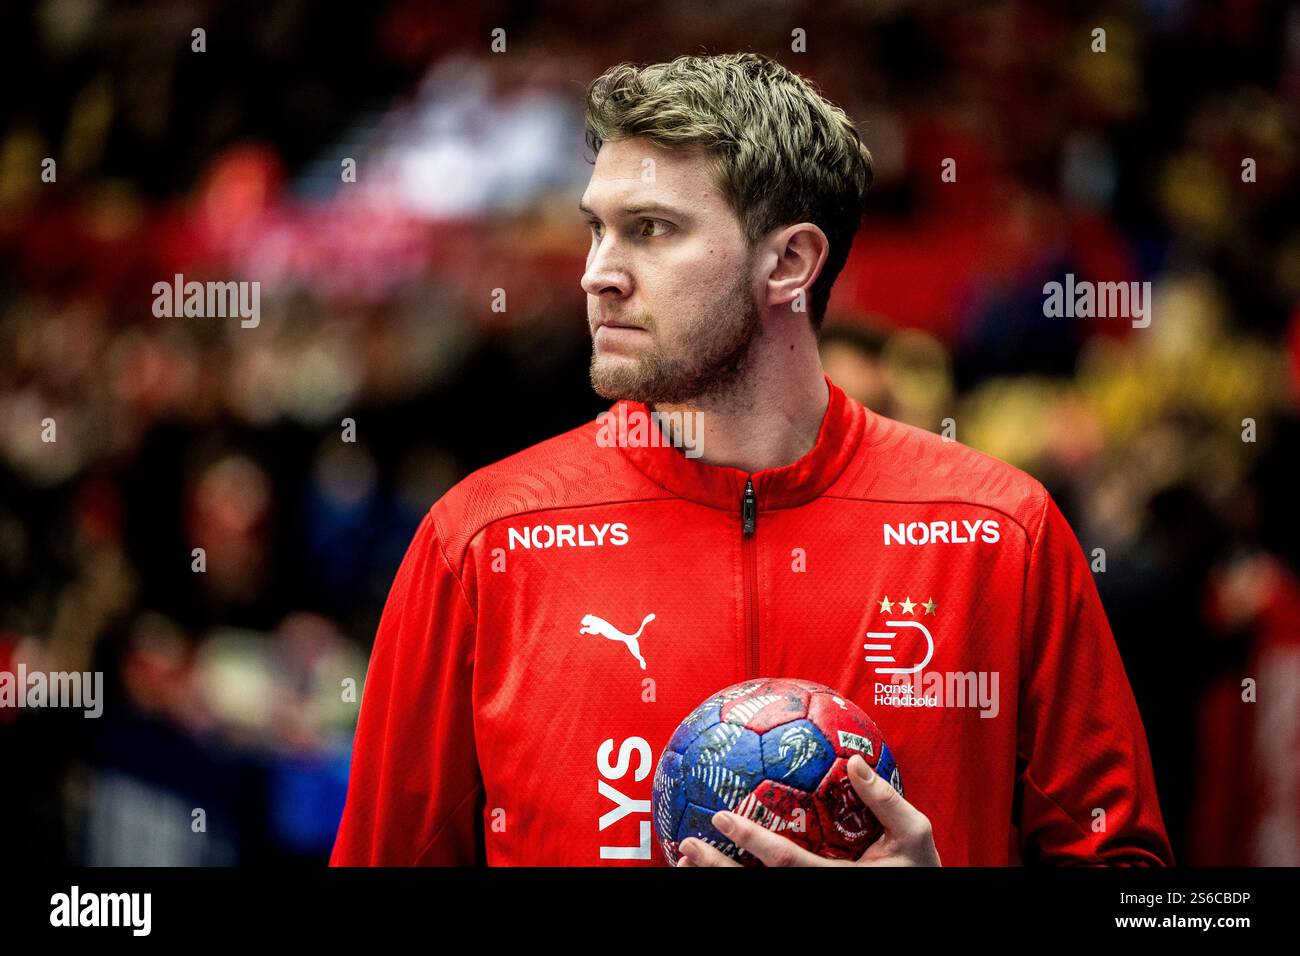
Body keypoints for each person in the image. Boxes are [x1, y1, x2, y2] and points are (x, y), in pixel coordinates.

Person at [330, 52, 1172, 867]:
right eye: (597, 229)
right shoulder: (483, 542)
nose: (598, 274)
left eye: (650, 230)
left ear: (790, 262)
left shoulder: (997, 537)